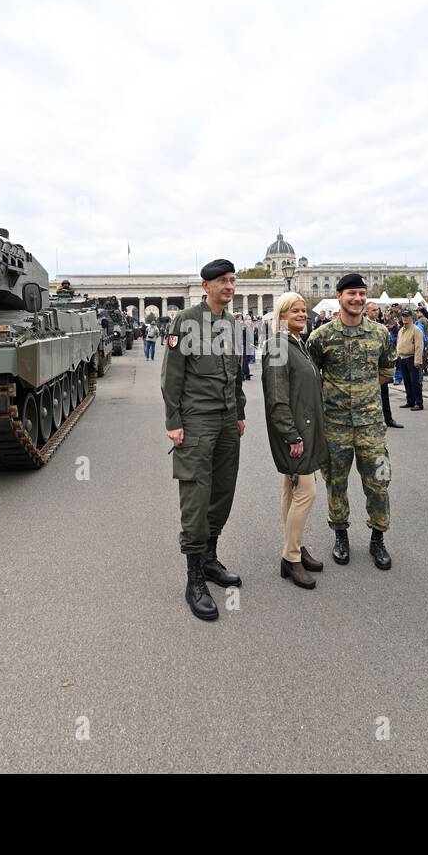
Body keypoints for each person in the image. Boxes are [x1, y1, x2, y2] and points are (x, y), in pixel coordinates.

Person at [161, 259, 246, 621]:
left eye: (232, 281)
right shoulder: (186, 321)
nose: (229, 286)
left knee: (223, 490)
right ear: (205, 285)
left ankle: (210, 558)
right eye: (222, 281)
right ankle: (194, 577)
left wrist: (239, 412)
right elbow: (172, 374)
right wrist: (173, 420)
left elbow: (236, 374)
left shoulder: (231, 323)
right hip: (197, 420)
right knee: (196, 494)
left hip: (227, 420)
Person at [308, 274, 396, 569]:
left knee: (379, 482)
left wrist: (363, 394)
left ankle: (378, 539)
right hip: (335, 424)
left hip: (370, 424)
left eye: (361, 294)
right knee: (335, 481)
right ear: (339, 297)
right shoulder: (321, 337)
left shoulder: (380, 334)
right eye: (351, 294)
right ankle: (341, 535)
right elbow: (311, 377)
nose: (357, 299)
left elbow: (386, 371)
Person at [263, 291, 328, 589]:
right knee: (306, 491)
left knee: (292, 490)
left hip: (305, 429)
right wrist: (290, 434)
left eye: (303, 310)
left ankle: (296, 547)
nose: (302, 315)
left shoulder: (297, 344)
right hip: (294, 432)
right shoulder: (278, 345)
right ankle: (291, 558)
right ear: (282, 315)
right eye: (294, 311)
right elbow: (276, 397)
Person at [365, 301, 402, 428]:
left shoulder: (381, 327)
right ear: (366, 311)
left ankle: (388, 419)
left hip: (380, 367)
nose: (376, 312)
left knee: (384, 395)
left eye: (377, 310)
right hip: (367, 368)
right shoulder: (363, 326)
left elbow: (388, 348)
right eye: (373, 310)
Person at [395, 308, 424, 411]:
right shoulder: (401, 330)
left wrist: (417, 360)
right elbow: (398, 344)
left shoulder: (416, 330)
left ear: (411, 317)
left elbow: (419, 346)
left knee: (415, 382)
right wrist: (397, 356)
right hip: (402, 358)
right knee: (407, 381)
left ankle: (418, 403)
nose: (405, 318)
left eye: (407, 316)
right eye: (403, 316)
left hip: (411, 358)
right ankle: (410, 401)